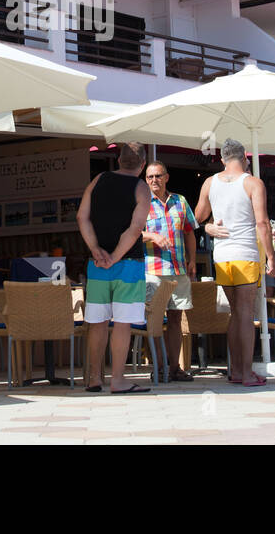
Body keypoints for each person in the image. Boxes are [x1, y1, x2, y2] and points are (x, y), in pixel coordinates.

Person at [196, 138, 275, 388]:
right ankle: (247, 372)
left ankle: (236, 371)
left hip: (221, 256)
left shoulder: (210, 183)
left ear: (222, 159)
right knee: (245, 313)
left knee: (234, 313)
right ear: (245, 158)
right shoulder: (253, 183)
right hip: (245, 253)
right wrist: (271, 257)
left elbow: (197, 217)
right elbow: (262, 224)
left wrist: (209, 227)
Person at [78, 142, 152, 394]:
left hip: (97, 265)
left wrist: (95, 249)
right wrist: (116, 257)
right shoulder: (141, 188)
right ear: (142, 165)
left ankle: (94, 378)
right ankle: (118, 380)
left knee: (97, 322)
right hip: (128, 264)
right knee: (122, 323)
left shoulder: (98, 180)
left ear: (118, 160)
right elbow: (135, 229)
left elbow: (81, 217)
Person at [142, 160, 198, 382]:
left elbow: (190, 232)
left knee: (176, 318)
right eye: (149, 177)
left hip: (178, 268)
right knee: (155, 320)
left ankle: (175, 368)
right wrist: (152, 236)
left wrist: (193, 260)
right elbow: (132, 233)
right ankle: (159, 367)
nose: (154, 180)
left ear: (166, 177)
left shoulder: (180, 201)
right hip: (152, 270)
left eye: (158, 176)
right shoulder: (141, 202)